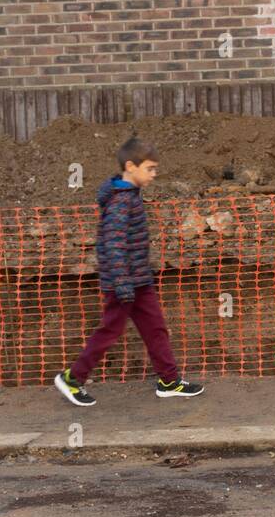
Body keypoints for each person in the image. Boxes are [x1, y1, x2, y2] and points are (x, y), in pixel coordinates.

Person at [54, 137, 204, 406]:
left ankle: (169, 381)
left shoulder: (129, 198)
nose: (154, 174)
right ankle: (72, 378)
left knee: (156, 329)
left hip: (138, 282)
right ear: (131, 166)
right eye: (150, 168)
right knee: (110, 332)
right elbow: (113, 244)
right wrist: (123, 283)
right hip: (123, 285)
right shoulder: (122, 202)